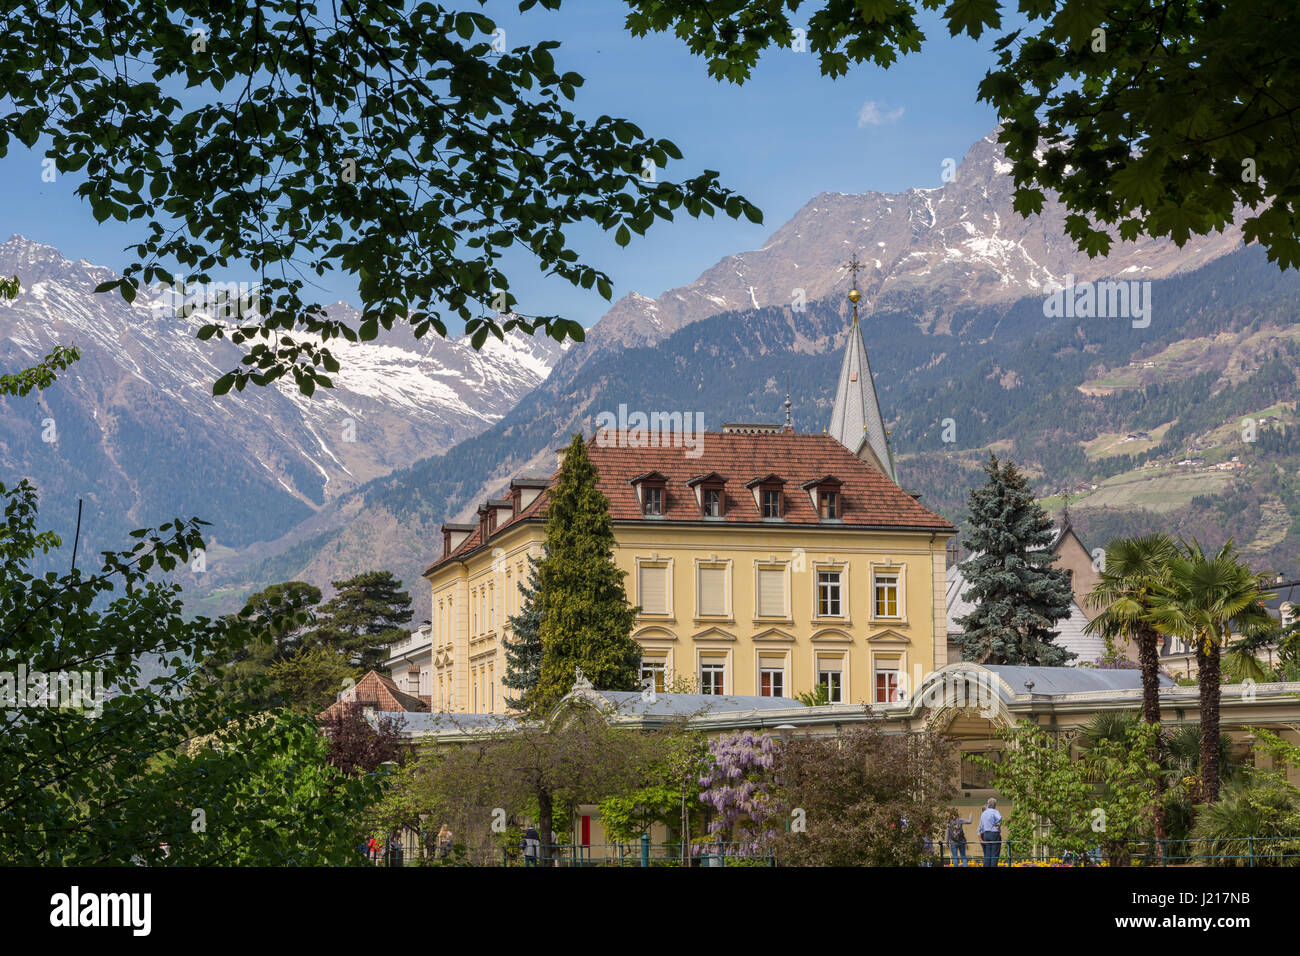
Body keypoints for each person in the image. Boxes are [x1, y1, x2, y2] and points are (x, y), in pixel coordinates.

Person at [978, 798, 1003, 867]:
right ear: (994, 805)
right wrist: (996, 824)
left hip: (986, 834)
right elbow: (1000, 818)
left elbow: (981, 825)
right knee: (994, 853)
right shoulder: (995, 811)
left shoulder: (983, 813)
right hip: (994, 834)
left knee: (987, 854)